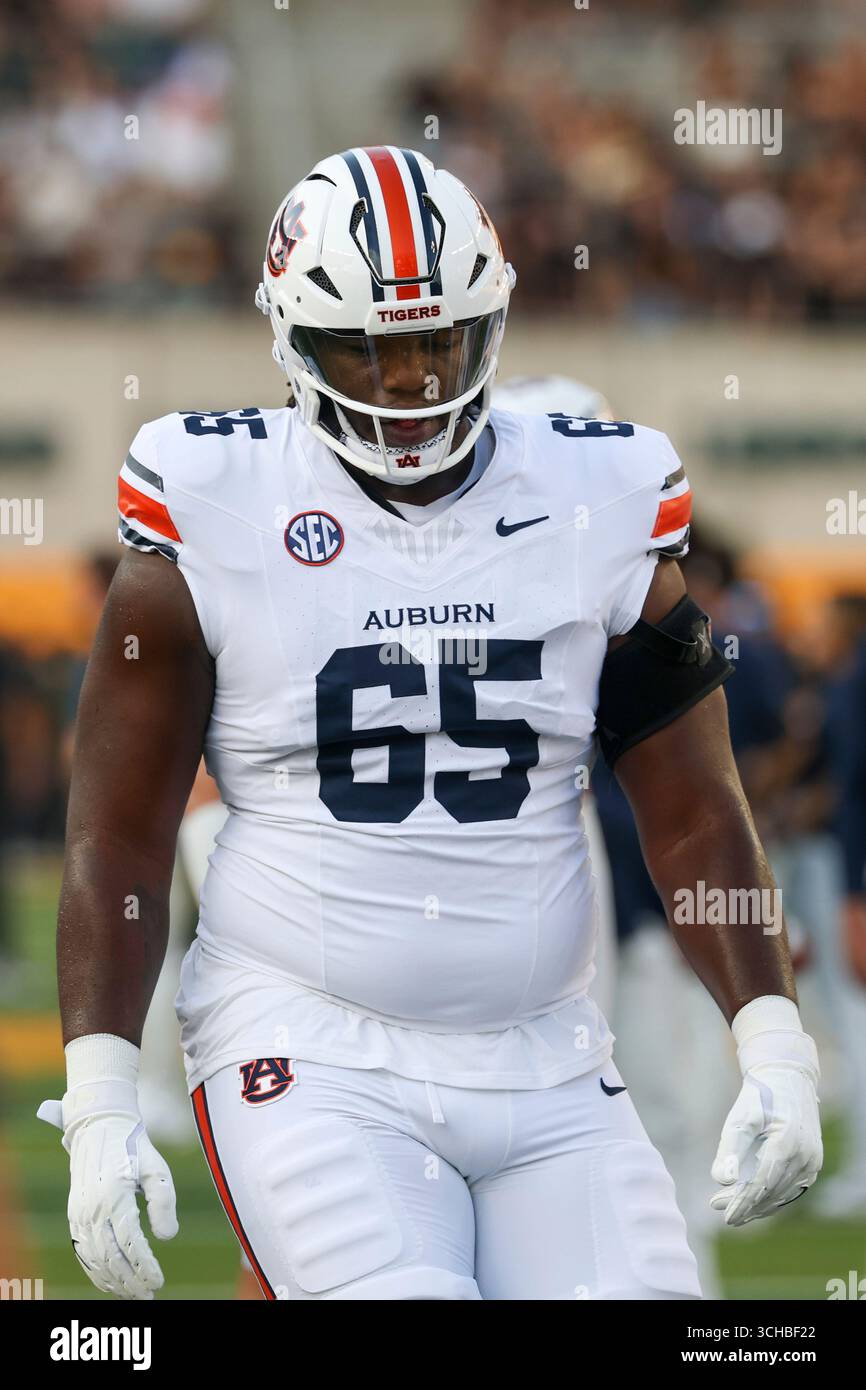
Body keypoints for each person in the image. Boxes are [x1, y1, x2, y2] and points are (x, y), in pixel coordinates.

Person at [40, 146, 821, 1301]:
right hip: (307, 1037)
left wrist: (773, 1041)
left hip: (551, 1054)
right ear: (294, 339)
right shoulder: (212, 504)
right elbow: (117, 832)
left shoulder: (594, 497)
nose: (408, 377)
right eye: (367, 342)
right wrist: (101, 1098)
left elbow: (698, 811)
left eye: (434, 337)